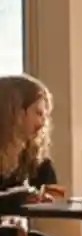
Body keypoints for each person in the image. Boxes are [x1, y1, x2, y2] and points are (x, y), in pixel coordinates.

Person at [0, 75, 58, 213]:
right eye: (38, 113)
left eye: (45, 116)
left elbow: (56, 204)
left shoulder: (41, 165)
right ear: (16, 112)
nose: (43, 123)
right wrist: (18, 198)